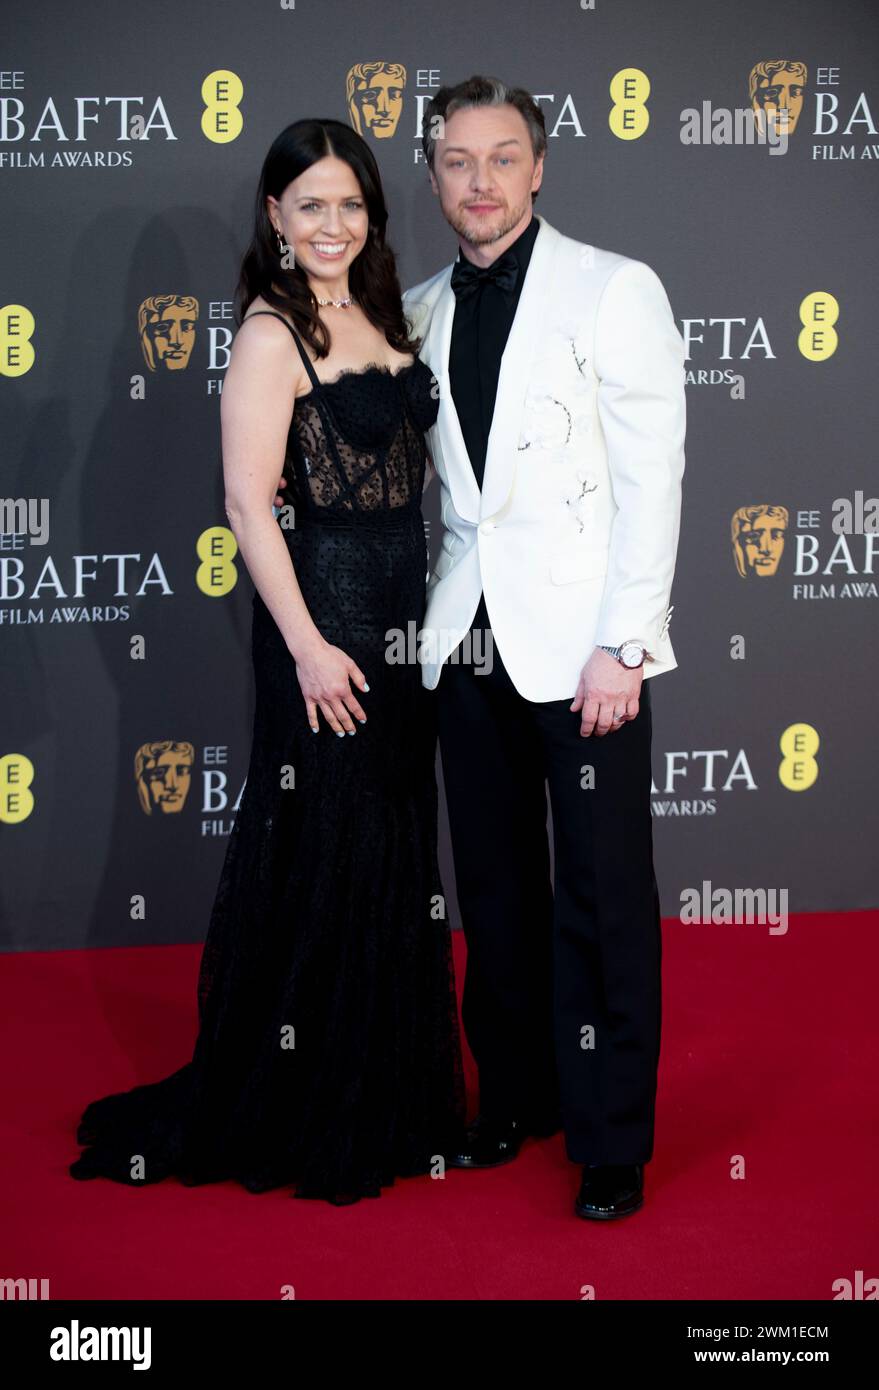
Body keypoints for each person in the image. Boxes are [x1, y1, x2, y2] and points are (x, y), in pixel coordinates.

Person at [69, 118, 466, 1206]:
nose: (332, 224)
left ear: (370, 213)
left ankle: (385, 1086)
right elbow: (248, 500)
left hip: (400, 614)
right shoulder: (266, 331)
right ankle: (307, 1095)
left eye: (349, 203)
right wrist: (306, 646)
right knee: (324, 839)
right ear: (275, 219)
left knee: (386, 840)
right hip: (323, 617)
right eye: (310, 206)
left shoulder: (387, 311)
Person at [402, 75, 686, 1219]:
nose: (480, 182)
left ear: (540, 165)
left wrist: (627, 642)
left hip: (585, 652)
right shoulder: (415, 305)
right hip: (467, 639)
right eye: (457, 161)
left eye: (502, 157)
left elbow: (651, 481)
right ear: (433, 176)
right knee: (498, 891)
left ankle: (611, 1136)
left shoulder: (614, 288)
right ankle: (515, 1093)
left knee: (606, 893)